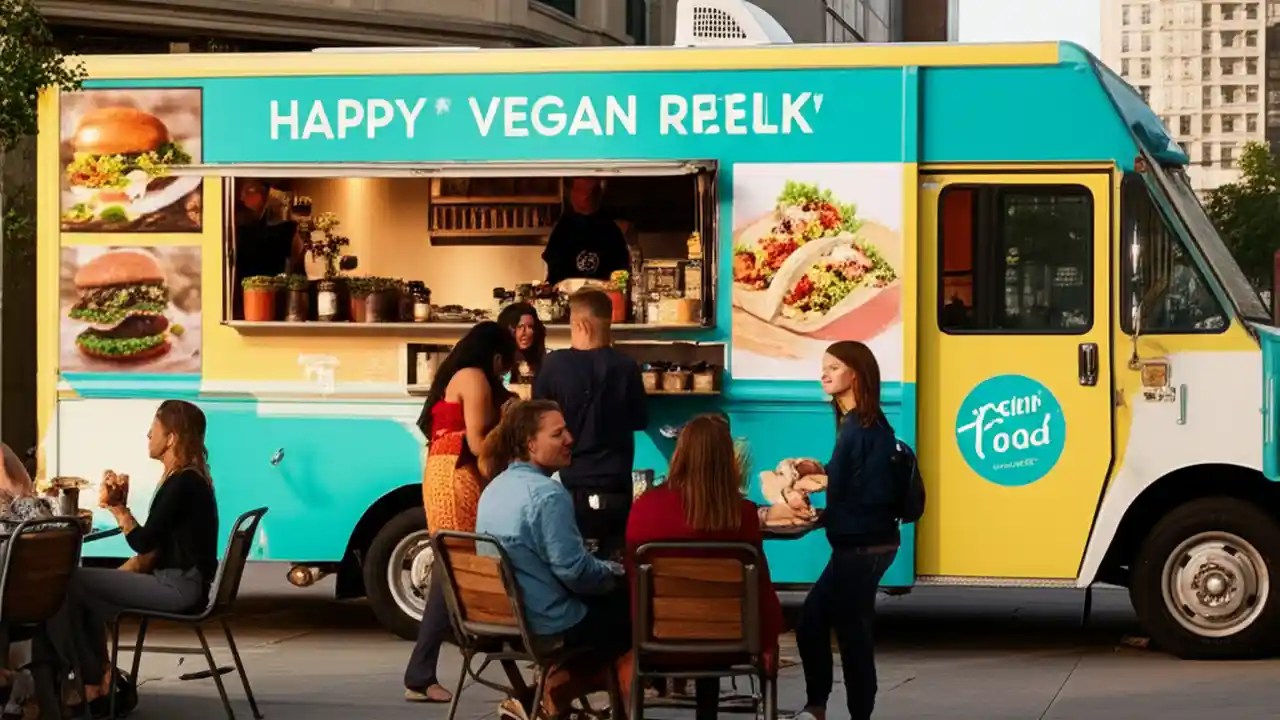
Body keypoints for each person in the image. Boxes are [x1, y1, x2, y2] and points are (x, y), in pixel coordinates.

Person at [51, 399, 219, 716]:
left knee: (66, 582)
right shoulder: (187, 478)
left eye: (153, 430)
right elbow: (153, 543)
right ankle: (98, 677)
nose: (147, 435)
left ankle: (93, 679)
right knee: (81, 590)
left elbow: (143, 542)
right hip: (182, 582)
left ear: (170, 438)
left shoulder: (183, 483)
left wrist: (118, 508)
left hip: (178, 588)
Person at [476, 400, 630, 720]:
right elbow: (574, 571)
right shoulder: (547, 495)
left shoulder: (494, 488)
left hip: (500, 617)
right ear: (531, 444)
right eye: (558, 433)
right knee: (634, 615)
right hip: (547, 622)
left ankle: (550, 693)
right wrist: (615, 571)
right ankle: (557, 692)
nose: (570, 439)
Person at [625, 414, 784, 720]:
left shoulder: (647, 508)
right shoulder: (742, 515)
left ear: (680, 452)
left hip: (657, 640)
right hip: (732, 643)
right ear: (727, 460)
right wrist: (768, 642)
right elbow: (762, 590)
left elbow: (632, 574)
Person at [403, 321, 517, 704]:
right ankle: (431, 667)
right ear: (496, 356)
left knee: (448, 566)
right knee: (458, 564)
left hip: (442, 472)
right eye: (505, 364)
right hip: (458, 475)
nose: (505, 372)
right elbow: (479, 443)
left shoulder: (457, 374)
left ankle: (425, 669)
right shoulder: (476, 378)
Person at [794, 341, 900, 720]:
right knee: (824, 621)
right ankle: (820, 706)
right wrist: (815, 470)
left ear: (855, 374)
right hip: (868, 543)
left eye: (834, 367)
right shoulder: (863, 423)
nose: (824, 373)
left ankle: (826, 708)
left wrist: (817, 516)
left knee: (845, 631)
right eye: (824, 366)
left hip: (862, 546)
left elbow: (858, 492)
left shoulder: (861, 427)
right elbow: (851, 479)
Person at [533, 289, 648, 558]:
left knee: (572, 557)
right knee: (617, 559)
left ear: (580, 325)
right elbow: (640, 419)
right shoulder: (626, 367)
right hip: (617, 483)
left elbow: (535, 419)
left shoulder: (554, 365)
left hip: (570, 484)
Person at [232, 179, 304, 319]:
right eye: (242, 193)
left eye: (249, 191)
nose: (242, 198)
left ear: (265, 194)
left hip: (275, 294)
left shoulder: (284, 228)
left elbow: (296, 258)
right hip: (245, 296)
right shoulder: (239, 224)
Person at [542, 178, 632, 286]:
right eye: (582, 190)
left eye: (592, 191)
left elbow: (622, 272)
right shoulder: (562, 230)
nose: (587, 195)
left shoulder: (611, 230)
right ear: (570, 193)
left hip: (604, 298)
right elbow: (553, 277)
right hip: (569, 298)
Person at [496, 302, 547, 386]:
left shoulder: (544, 362)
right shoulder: (497, 363)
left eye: (530, 327)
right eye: (520, 327)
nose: (524, 332)